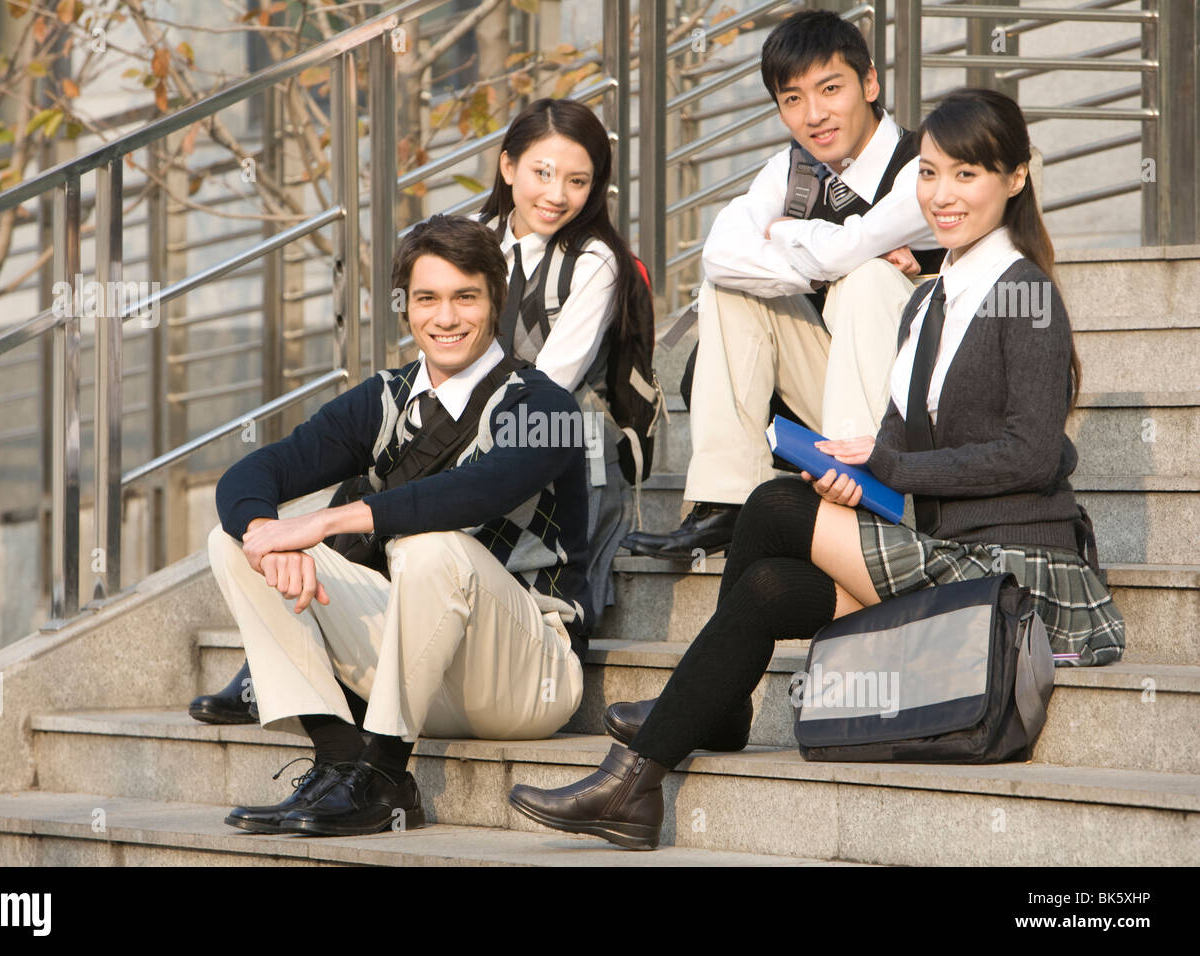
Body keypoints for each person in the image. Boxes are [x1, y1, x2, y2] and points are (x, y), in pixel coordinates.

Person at [506, 87, 1127, 851]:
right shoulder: (930, 302)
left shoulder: (1024, 294)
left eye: (967, 175)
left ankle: (655, 759)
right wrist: (853, 476)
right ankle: (656, 769)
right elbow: (902, 445)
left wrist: (889, 463)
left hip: (1014, 567)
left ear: (1015, 178)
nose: (942, 195)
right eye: (928, 175)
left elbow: (1030, 455)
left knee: (770, 507)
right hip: (945, 545)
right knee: (768, 587)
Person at [207, 214, 591, 837]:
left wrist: (322, 522)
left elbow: (472, 492)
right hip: (415, 672)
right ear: (404, 306)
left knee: (434, 544)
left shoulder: (545, 406)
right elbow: (258, 470)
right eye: (427, 299)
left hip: (526, 675)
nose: (446, 318)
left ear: (496, 300)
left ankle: (387, 779)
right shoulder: (387, 396)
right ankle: (338, 762)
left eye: (466, 297)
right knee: (234, 536)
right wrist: (266, 536)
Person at [622, 9, 942, 561]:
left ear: (869, 83)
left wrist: (791, 234)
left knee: (867, 276)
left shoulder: (927, 166)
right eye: (792, 99)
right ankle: (727, 502)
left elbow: (852, 248)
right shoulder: (789, 172)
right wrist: (827, 259)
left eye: (830, 88)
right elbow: (720, 255)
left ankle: (862, 500)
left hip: (928, 406)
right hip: (835, 387)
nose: (814, 114)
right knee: (727, 291)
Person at [476, 97, 649, 623]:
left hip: (560, 443)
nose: (556, 195)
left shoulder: (596, 260)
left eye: (577, 180)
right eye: (542, 172)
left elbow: (549, 382)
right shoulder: (469, 240)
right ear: (508, 167)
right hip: (469, 433)